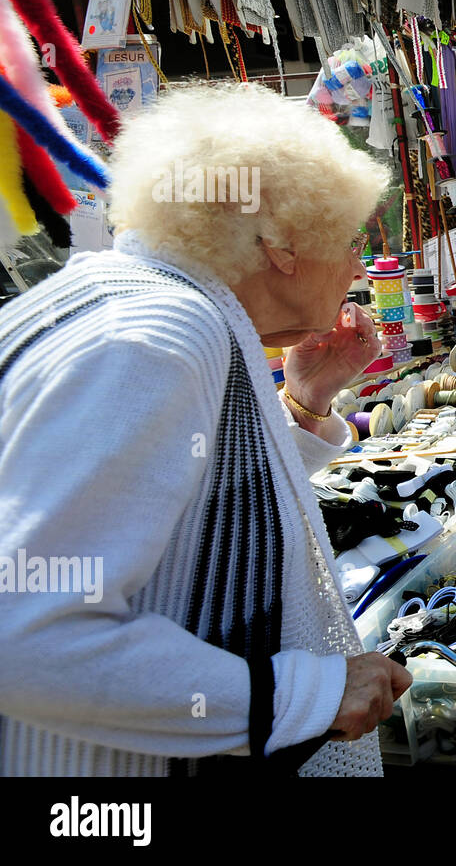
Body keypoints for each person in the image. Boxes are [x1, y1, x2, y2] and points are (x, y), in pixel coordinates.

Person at [0, 83, 412, 776]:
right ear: (279, 240)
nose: (356, 266)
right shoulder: (160, 334)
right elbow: (29, 631)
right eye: (346, 240)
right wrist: (305, 694)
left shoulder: (137, 298)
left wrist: (304, 405)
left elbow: (177, 507)